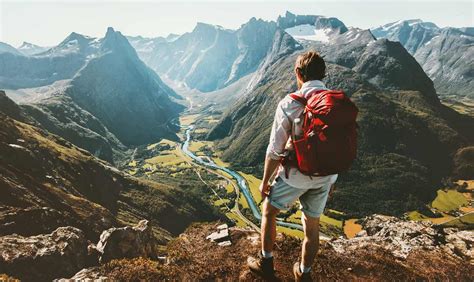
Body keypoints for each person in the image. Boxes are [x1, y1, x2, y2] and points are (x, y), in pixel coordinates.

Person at [247, 51, 337, 281]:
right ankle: (304, 273)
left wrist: (265, 182)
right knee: (312, 225)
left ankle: (266, 263)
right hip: (326, 175)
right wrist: (332, 179)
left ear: (298, 73)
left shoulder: (290, 103)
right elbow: (339, 144)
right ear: (323, 74)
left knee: (268, 210)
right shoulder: (334, 103)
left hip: (294, 175)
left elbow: (275, 150)